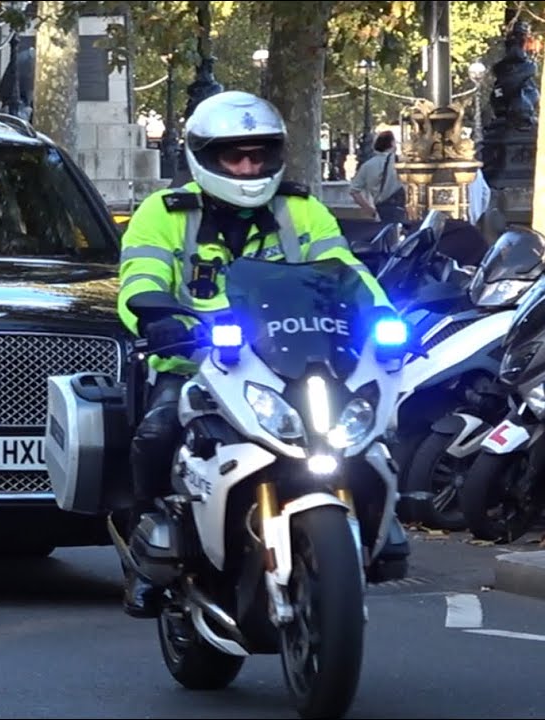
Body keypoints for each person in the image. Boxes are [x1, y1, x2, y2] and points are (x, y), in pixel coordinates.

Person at [115, 90, 398, 619]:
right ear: (203, 156)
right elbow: (140, 280)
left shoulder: (302, 210)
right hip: (199, 360)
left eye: (259, 154)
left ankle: (383, 523)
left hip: (299, 359)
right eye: (234, 156)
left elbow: (347, 274)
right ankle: (146, 550)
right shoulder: (164, 213)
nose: (249, 166)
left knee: (372, 424)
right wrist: (157, 319)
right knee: (156, 432)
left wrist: (386, 318)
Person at [349, 130, 407, 224]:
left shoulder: (367, 166)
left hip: (380, 209)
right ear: (392, 143)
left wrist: (370, 211)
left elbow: (354, 191)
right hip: (398, 208)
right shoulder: (398, 161)